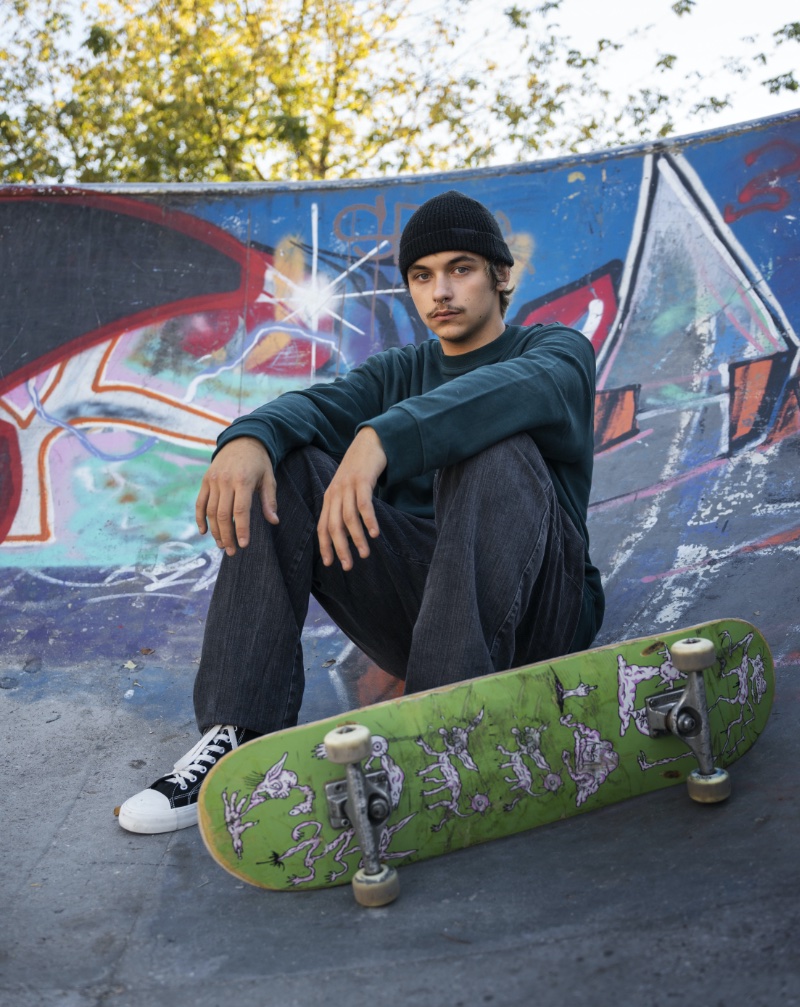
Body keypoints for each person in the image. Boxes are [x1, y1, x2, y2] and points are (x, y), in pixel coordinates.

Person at [117, 189, 604, 834]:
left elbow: (522, 392)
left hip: (544, 608)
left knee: (495, 441)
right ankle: (238, 736)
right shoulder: (397, 372)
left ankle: (435, 735)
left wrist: (383, 437)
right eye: (423, 276)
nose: (442, 292)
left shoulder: (554, 351)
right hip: (421, 614)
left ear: (501, 275)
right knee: (285, 467)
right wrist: (247, 438)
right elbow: (313, 408)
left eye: (461, 269)